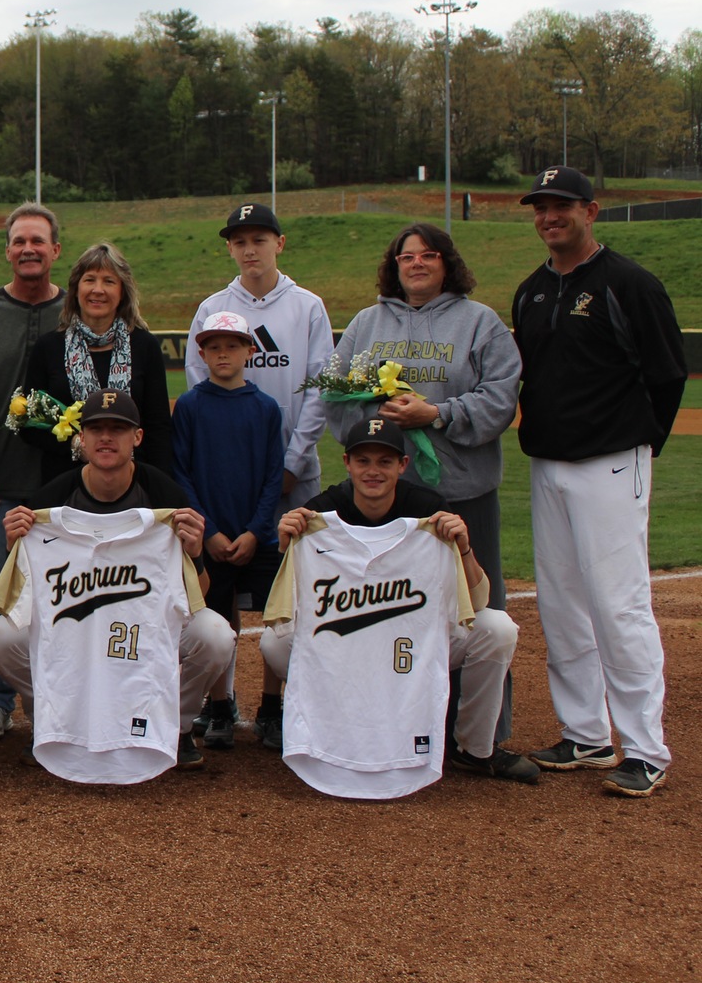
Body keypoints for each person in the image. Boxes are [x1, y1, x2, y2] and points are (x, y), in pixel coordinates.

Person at [513, 166, 686, 798]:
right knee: (561, 604)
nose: (549, 216)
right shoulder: (532, 290)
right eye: (541, 207)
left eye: (562, 206)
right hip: (548, 464)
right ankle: (586, 734)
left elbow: (667, 376)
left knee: (619, 604)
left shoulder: (630, 283)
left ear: (592, 210)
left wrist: (639, 443)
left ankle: (644, 747)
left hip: (612, 463)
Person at [327, 221, 523, 743]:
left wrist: (435, 412)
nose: (416, 263)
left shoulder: (481, 324)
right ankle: (389, 726)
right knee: (390, 611)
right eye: (406, 256)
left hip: (464, 493)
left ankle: (482, 735)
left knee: (479, 610)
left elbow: (500, 398)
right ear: (394, 267)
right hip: (387, 500)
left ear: (447, 263)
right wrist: (382, 416)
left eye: (428, 255)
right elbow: (335, 398)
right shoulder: (367, 324)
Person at [262, 417, 537, 784]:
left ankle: (475, 750)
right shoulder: (322, 512)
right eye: (363, 461)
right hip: (349, 646)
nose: (372, 471)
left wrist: (465, 548)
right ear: (347, 463)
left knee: (497, 629)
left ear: (402, 466)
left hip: (416, 642)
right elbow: (287, 605)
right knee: (274, 643)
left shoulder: (428, 508)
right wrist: (288, 547)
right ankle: (326, 738)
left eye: (384, 461)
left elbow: (479, 598)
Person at [0, 392, 233, 770]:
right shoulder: (54, 496)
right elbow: (18, 597)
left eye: (117, 430)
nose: (106, 438)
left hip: (143, 623)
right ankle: (53, 716)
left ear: (137, 438)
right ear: (82, 438)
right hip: (77, 626)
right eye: (96, 429)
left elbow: (197, 595)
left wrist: (192, 553)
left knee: (216, 636)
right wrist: (15, 548)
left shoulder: (163, 495)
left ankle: (179, 724)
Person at [0, 203, 63, 742]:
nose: (28, 249)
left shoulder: (76, 313)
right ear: (7, 250)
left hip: (61, 490)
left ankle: (55, 696)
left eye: (38, 241)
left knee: (58, 598)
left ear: (55, 251)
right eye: (19, 241)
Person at [172, 311, 284, 749]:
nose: (223, 353)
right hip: (210, 538)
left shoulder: (265, 408)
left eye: (233, 345)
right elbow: (182, 474)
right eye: (214, 346)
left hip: (260, 536)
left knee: (280, 616)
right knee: (215, 619)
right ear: (201, 353)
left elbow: (275, 476)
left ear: (250, 352)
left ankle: (272, 707)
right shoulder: (191, 406)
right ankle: (219, 706)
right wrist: (211, 532)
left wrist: (257, 530)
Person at [184, 203, 331, 511]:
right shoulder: (212, 309)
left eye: (259, 240)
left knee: (296, 556)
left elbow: (321, 391)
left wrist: (292, 464)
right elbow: (201, 391)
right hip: (231, 469)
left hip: (298, 473)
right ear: (229, 249)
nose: (249, 250)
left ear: (280, 243)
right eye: (240, 242)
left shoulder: (308, 307)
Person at [22, 241, 173, 481]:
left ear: (123, 291)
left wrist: (160, 490)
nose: (98, 290)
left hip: (133, 484)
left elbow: (159, 428)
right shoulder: (49, 347)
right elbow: (29, 423)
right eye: (90, 279)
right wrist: (76, 447)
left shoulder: (145, 346)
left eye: (109, 281)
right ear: (76, 288)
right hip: (66, 483)